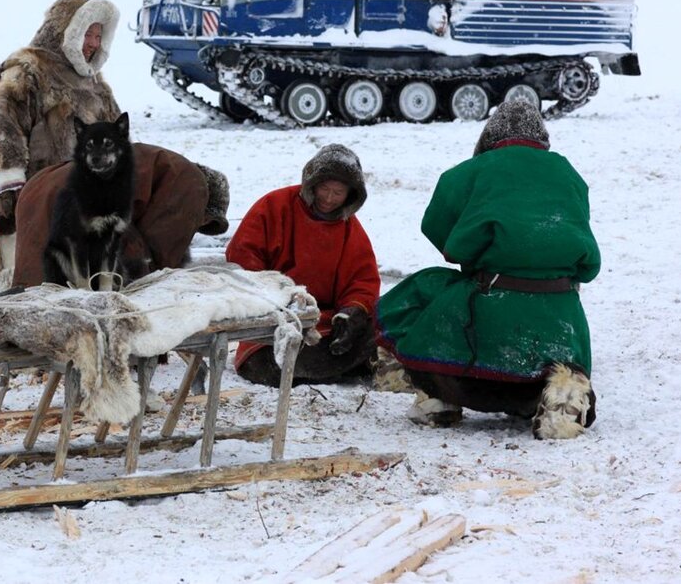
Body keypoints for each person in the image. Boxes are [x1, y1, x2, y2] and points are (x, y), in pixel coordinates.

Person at [0, 0, 229, 290]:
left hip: (89, 208)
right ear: (64, 32)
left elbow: (121, 144)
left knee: (86, 292)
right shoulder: (27, 73)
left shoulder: (95, 85)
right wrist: (14, 189)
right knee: (31, 289)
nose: (93, 43)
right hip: (33, 205)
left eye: (98, 35)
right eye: (87, 34)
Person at [375, 100, 600, 439]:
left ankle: (437, 398)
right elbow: (587, 266)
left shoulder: (475, 169)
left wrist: (476, 253)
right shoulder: (568, 173)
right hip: (560, 310)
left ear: (489, 137)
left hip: (483, 332)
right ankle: (564, 393)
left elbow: (439, 228)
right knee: (563, 344)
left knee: (421, 291)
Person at [228, 144, 380, 386]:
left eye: (338, 192)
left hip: (325, 323)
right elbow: (243, 261)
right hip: (274, 322)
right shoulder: (274, 207)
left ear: (351, 195)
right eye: (324, 189)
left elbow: (362, 280)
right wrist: (277, 298)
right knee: (274, 360)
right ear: (311, 183)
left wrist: (351, 312)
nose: (329, 199)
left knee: (383, 324)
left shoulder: (349, 228)